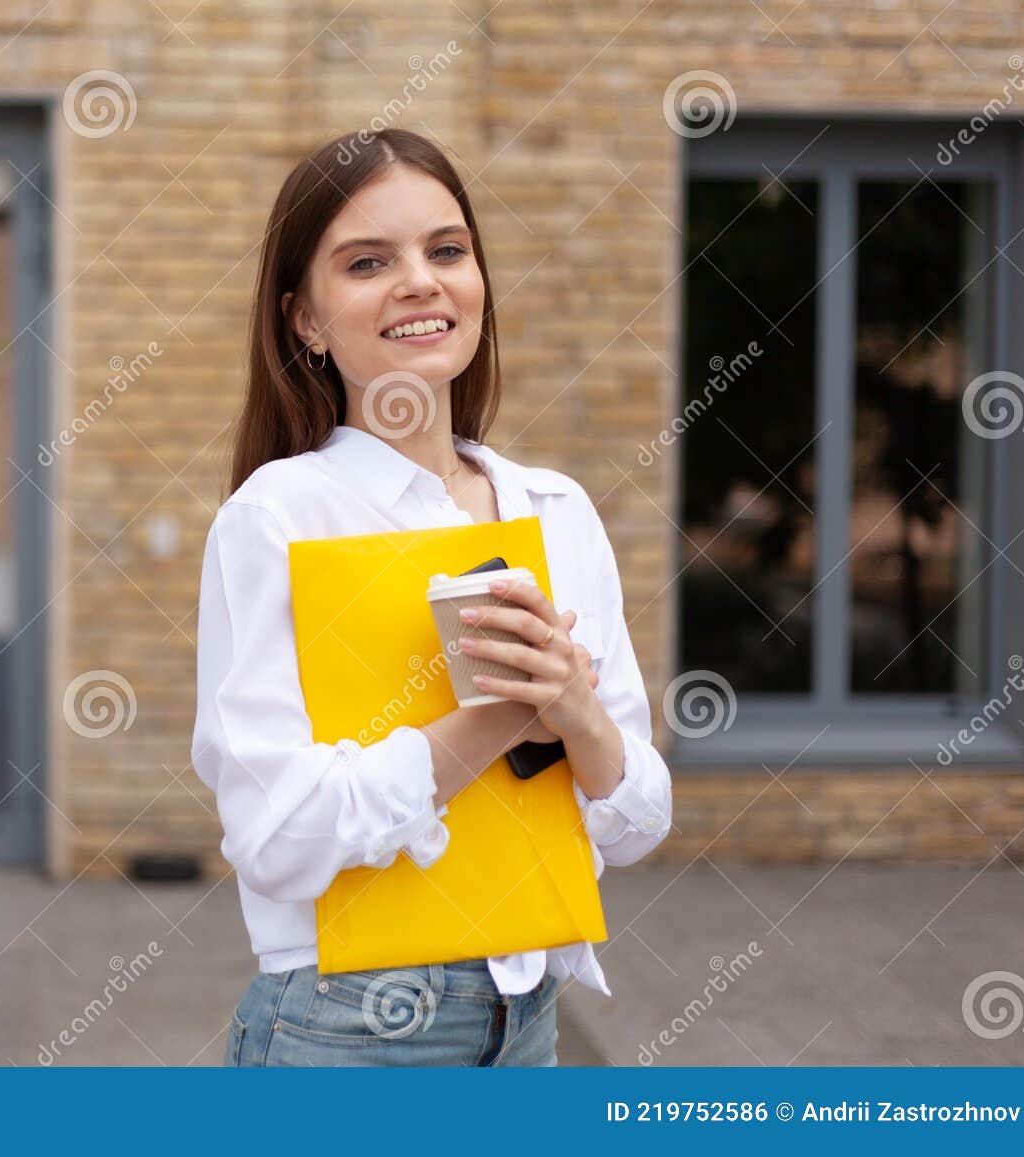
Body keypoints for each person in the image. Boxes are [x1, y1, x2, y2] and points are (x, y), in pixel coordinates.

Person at [190, 128, 674, 1067]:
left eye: (447, 250)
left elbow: (639, 821)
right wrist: (496, 716)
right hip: (348, 1029)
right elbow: (276, 837)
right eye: (368, 262)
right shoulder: (281, 519)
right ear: (305, 319)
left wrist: (577, 714)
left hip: (528, 1019)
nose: (420, 281)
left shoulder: (555, 510)